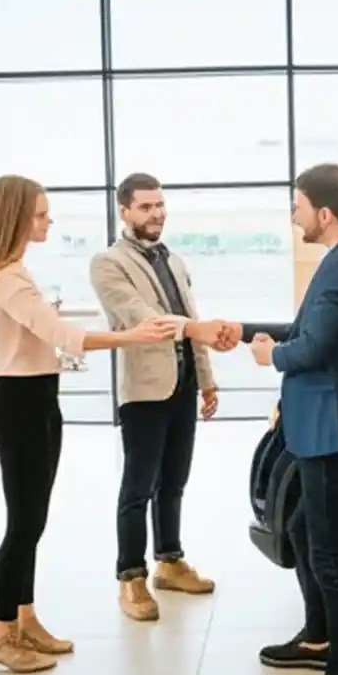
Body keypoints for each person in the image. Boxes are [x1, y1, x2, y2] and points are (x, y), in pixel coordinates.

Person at [0, 174, 179, 673]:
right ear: (16, 217)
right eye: (40, 214)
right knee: (23, 526)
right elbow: (66, 337)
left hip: (36, 401)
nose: (47, 222)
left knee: (31, 523)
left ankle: (24, 619)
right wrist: (133, 336)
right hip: (20, 405)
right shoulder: (9, 278)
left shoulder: (13, 273)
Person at [248, 164, 338, 675]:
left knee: (332, 559)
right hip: (327, 426)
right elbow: (312, 330)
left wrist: (269, 357)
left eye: (298, 206)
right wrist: (249, 332)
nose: (294, 216)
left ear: (323, 213)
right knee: (306, 530)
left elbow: (311, 349)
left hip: (331, 433)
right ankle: (320, 637)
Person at [89, 172, 235, 621]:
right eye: (147, 207)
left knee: (174, 480)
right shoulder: (107, 263)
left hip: (184, 383)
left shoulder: (173, 262)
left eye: (160, 205)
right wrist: (195, 331)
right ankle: (130, 577)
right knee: (139, 486)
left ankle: (169, 562)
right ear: (125, 211)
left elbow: (192, 318)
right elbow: (142, 317)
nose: (157, 214)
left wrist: (206, 378)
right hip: (145, 390)